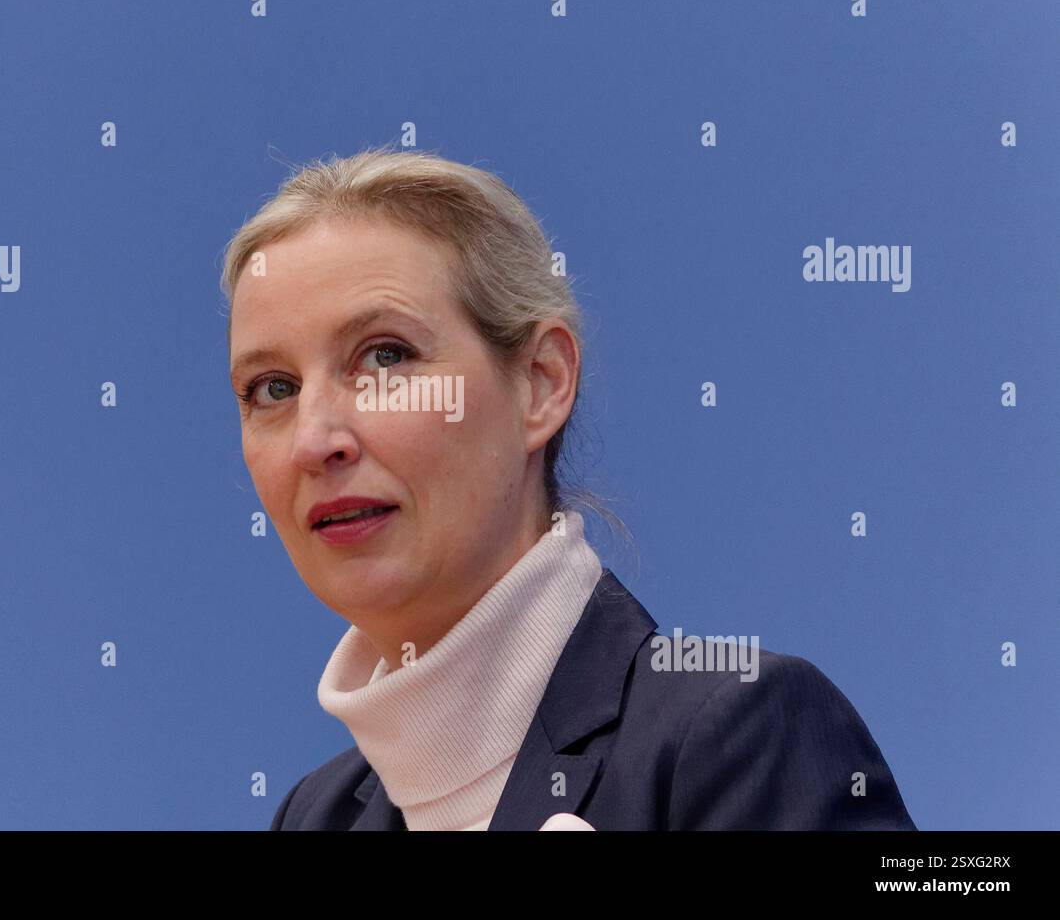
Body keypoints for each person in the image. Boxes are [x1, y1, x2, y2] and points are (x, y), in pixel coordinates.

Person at [220, 145, 917, 830]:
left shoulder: (744, 734)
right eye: (272, 388)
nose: (315, 441)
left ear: (540, 384)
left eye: (386, 355)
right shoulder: (314, 816)